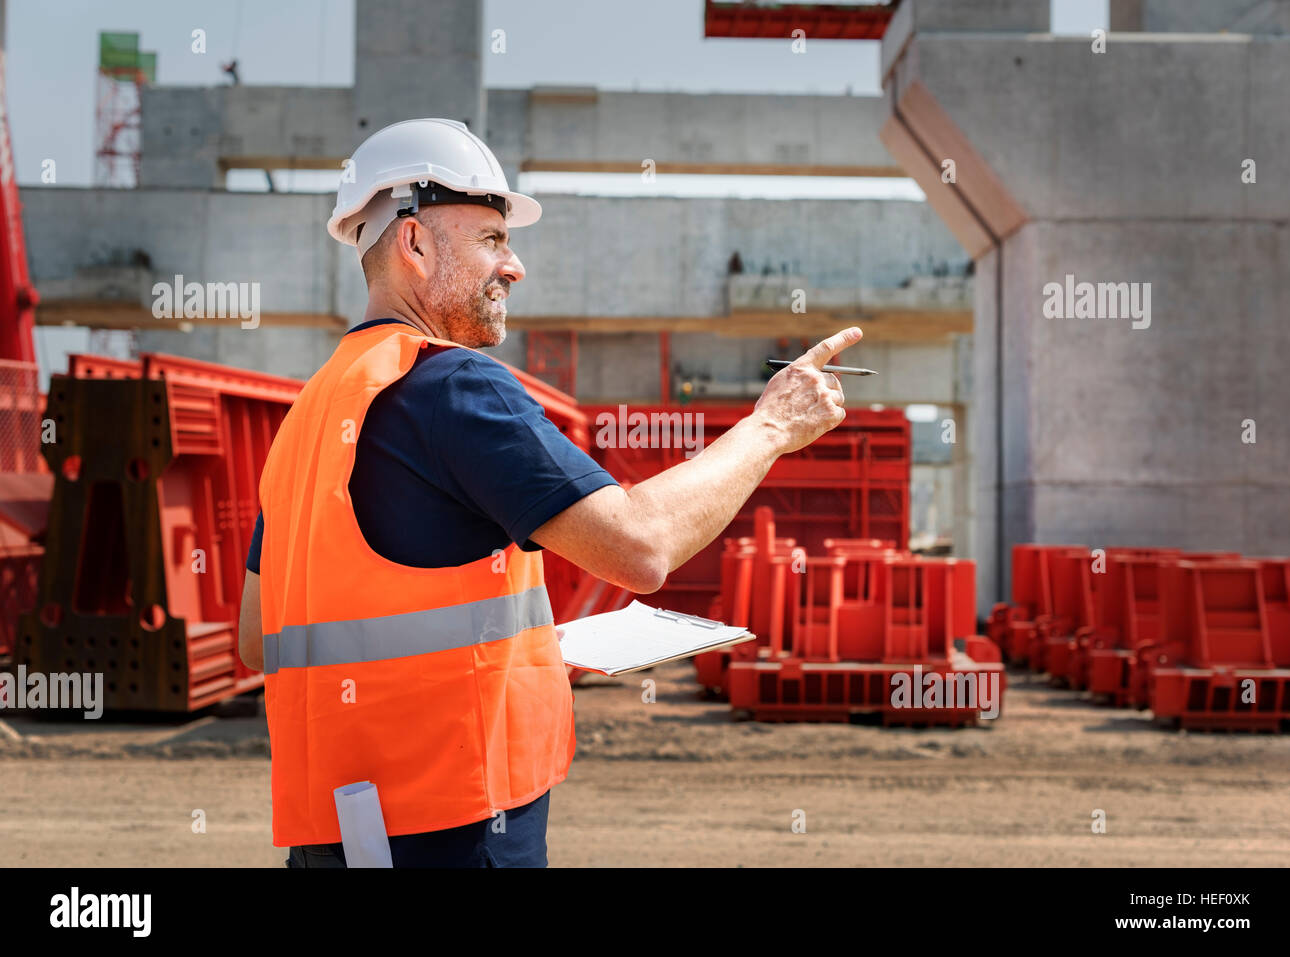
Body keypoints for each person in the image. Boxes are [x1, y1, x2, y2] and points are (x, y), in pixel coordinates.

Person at [237, 117, 861, 868]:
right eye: (493, 238)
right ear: (414, 244)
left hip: (337, 833)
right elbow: (641, 546)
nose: (515, 266)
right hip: (458, 822)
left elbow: (258, 638)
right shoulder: (453, 387)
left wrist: (506, 644)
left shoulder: (311, 412)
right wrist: (771, 425)